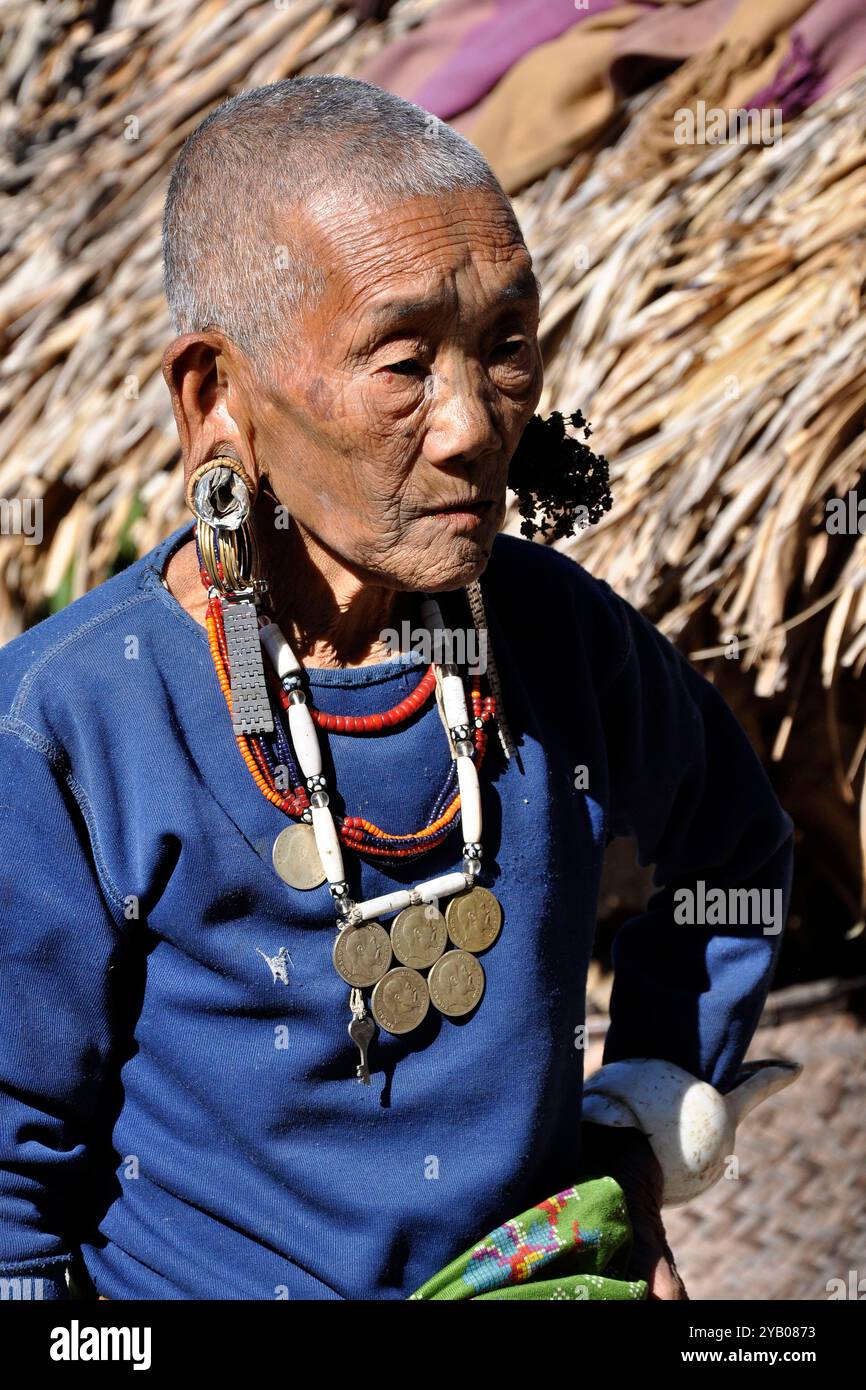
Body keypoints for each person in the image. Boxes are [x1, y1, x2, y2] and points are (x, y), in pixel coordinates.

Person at [0, 75, 793, 1302]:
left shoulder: (557, 641)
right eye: (402, 361)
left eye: (507, 346)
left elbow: (731, 846)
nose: (476, 425)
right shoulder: (70, 726)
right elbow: (10, 1194)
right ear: (219, 401)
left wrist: (634, 1134)